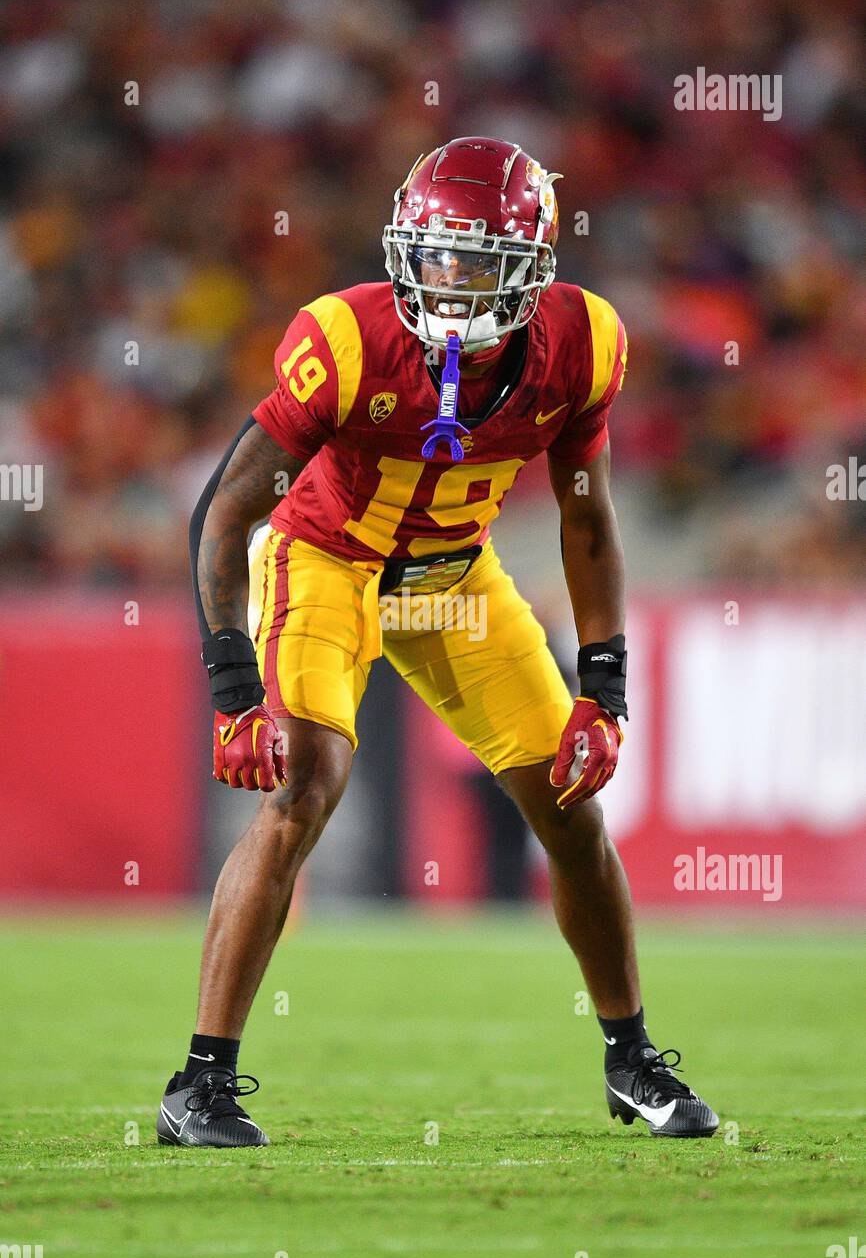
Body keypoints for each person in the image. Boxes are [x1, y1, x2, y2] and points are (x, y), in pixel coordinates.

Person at [157, 137, 718, 1148]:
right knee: (304, 786)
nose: (448, 281)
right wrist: (234, 686)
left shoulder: (583, 342)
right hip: (326, 559)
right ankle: (198, 1082)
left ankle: (629, 1058)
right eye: (432, 255)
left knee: (568, 803)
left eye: (474, 262)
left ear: (534, 266)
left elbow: (584, 517)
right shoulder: (345, 335)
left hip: (454, 577)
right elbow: (230, 507)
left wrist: (605, 682)